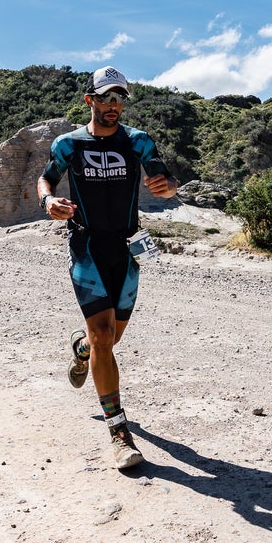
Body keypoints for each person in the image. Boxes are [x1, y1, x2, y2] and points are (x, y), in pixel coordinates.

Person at [36, 66, 178, 469]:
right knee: (102, 334)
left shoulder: (137, 141)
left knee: (107, 342)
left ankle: (80, 351)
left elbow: (164, 177)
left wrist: (168, 186)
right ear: (90, 101)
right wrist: (49, 202)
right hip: (87, 246)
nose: (113, 106)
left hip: (128, 249)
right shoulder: (69, 144)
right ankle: (119, 433)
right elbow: (46, 180)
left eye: (119, 99)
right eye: (106, 98)